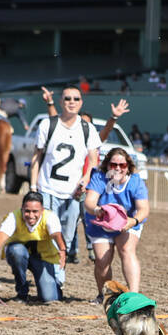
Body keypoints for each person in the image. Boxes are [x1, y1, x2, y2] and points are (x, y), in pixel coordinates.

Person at [29, 86, 102, 284]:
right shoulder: (47, 124)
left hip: (73, 194)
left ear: (81, 102)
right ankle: (54, 280)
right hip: (47, 189)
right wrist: (33, 188)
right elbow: (37, 156)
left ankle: (55, 276)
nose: (71, 101)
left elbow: (94, 160)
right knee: (47, 235)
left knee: (66, 240)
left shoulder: (88, 128)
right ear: (61, 102)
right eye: (67, 98)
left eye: (76, 99)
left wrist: (86, 178)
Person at [82, 147, 149, 301]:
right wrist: (97, 210)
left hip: (128, 222)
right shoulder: (99, 177)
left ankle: (133, 295)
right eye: (113, 165)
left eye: (122, 165)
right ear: (107, 165)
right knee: (102, 259)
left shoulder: (135, 182)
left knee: (126, 250)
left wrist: (133, 221)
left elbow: (143, 209)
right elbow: (89, 202)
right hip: (101, 223)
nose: (118, 168)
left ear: (128, 166)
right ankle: (104, 296)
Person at [0, 191, 65, 302]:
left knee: (50, 298)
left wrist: (62, 249)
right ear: (22, 209)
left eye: (35, 211)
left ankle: (55, 286)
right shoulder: (14, 217)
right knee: (17, 251)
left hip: (43, 258)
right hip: (19, 255)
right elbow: (2, 234)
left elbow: (56, 234)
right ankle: (22, 292)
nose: (31, 216)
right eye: (27, 211)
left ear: (42, 210)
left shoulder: (50, 217)